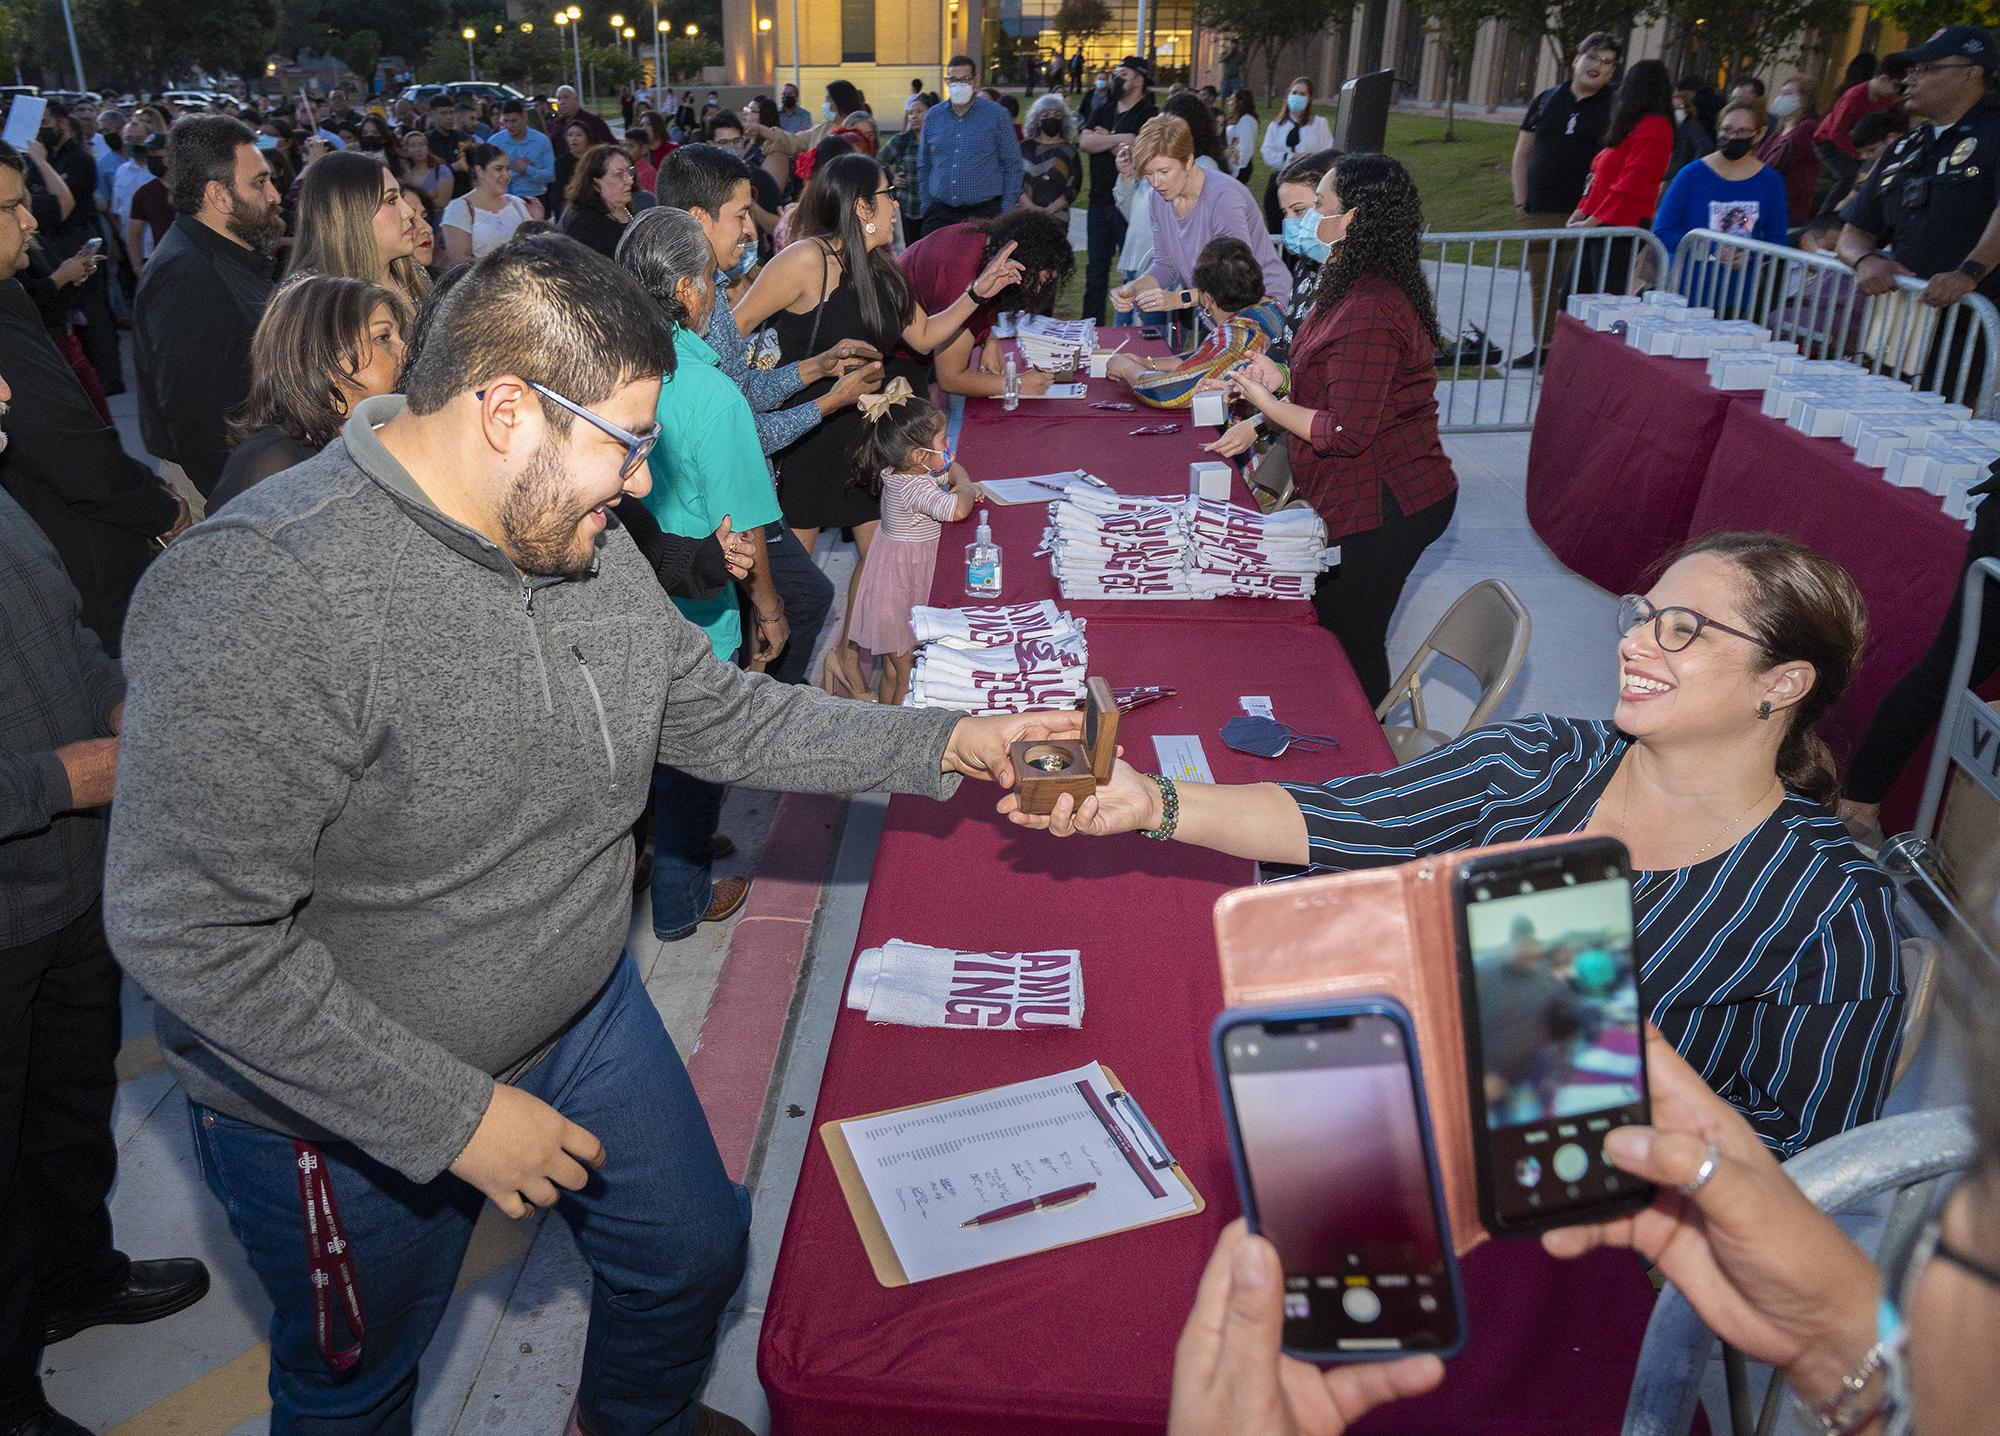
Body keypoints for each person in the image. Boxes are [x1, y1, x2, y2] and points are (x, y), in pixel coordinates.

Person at [106, 228, 1078, 1436]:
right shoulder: (263, 592)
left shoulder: (579, 539)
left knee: (690, 1252)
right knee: (357, 1385)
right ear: (506, 410)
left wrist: (943, 741)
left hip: (579, 1014)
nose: (637, 486)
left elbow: (714, 711)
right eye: (624, 446)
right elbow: (187, 934)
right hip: (339, 1103)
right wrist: (451, 1116)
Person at [1012, 529, 1904, 1156]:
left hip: (1596, 1225)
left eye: (1683, 630)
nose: (1634, 640)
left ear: (1783, 683)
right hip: (1393, 1120)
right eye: (1642, 613)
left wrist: (1593, 1070)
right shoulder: (1540, 758)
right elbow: (1343, 820)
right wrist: (1153, 802)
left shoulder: (1826, 909)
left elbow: (1803, 1156)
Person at [0, 419, 209, 1436]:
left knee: (69, 1105)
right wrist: (53, 781)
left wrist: (118, 704)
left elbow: (64, 634)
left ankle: (77, 1274)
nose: (3, 388)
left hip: (68, 885)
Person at [1200, 153, 1456, 704]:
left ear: (1356, 218)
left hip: (1388, 501)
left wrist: (1265, 402)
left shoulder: (1370, 304)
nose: (1308, 216)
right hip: (1357, 490)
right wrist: (1282, 374)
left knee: (1352, 635)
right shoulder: (1346, 279)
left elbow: (1343, 430)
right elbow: (1335, 378)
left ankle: (1368, 764)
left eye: (1321, 205)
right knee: (1334, 619)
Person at [616, 208, 788, 937]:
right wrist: (771, 611)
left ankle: (667, 842)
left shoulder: (607, 368)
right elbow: (744, 526)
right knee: (694, 751)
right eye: (714, 280)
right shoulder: (709, 393)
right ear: (687, 290)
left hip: (630, 592)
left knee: (651, 744)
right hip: (698, 599)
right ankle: (682, 901)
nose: (719, 292)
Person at [730, 153, 1021, 555]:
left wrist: (976, 293)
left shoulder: (883, 269)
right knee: (792, 589)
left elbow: (922, 337)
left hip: (865, 436)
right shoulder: (805, 260)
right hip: (803, 434)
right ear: (861, 206)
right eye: (889, 194)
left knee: (876, 568)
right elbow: (735, 325)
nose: (896, 204)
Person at [655, 143, 863, 685]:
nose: (750, 229)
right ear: (699, 220)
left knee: (802, 600)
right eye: (740, 214)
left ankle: (760, 713)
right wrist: (827, 403)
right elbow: (741, 427)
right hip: (724, 507)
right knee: (793, 603)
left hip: (736, 495)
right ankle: (763, 722)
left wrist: (814, 368)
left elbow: (744, 389)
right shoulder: (688, 307)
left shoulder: (712, 292)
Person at [0, 141, 184, 657]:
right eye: (11, 208)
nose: (29, 222)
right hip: (81, 587)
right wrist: (159, 510)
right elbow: (71, 452)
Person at [1837, 25, 2000, 403]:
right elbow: (1854, 230)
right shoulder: (1906, 147)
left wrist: (1968, 272)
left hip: (1977, 331)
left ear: (1970, 72)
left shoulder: (1994, 133)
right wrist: (1865, 260)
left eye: (1924, 69)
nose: (1909, 80)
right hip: (1906, 326)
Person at [132, 114, 283, 510]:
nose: (275, 195)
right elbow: (195, 420)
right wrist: (244, 506)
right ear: (219, 195)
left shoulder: (227, 258)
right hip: (233, 491)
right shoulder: (187, 276)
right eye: (260, 182)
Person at [209, 275, 411, 511]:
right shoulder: (275, 462)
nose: (405, 349)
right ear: (324, 355)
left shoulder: (361, 440)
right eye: (383, 338)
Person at [845, 381, 978, 703]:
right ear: (919, 454)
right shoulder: (915, 488)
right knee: (908, 671)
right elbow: (958, 508)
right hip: (902, 591)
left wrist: (955, 478)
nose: (948, 446)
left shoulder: (901, 473)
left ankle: (885, 722)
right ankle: (900, 730)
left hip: (891, 584)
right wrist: (968, 486)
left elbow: (946, 473)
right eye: (943, 441)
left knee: (893, 668)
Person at [1112, 115, 1290, 328]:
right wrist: (1134, 288)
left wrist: (1179, 299)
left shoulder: (1223, 199)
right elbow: (1165, 265)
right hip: (1221, 314)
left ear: (1188, 160)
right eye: (1149, 174)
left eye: (1164, 171)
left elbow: (1236, 278)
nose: (1156, 182)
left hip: (1266, 312)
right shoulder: (1157, 199)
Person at [1511, 32, 1621, 367]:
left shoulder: (1616, 106)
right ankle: (1544, 348)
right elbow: (1522, 154)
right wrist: (1521, 201)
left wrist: (1598, 212)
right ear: (1576, 59)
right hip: (1539, 208)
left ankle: (1573, 355)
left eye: (1606, 62)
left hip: (1586, 214)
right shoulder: (1546, 99)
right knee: (1542, 283)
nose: (1597, 66)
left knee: (1578, 286)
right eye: (1592, 57)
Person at [899, 208, 1073, 399]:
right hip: (895, 353)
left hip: (911, 337)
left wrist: (989, 339)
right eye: (1042, 279)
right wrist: (1019, 383)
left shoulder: (985, 243)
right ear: (1025, 263)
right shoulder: (963, 275)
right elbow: (950, 378)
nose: (1039, 290)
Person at [1106, 236, 1284, 408]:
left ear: (1207, 299)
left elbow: (1168, 392)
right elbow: (1207, 358)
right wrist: (1147, 363)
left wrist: (1125, 368)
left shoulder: (1237, 333)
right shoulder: (1271, 308)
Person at [1652, 98, 1790, 305]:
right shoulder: (1691, 175)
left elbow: (1777, 239)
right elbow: (1662, 231)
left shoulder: (1771, 182)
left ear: (1759, 133)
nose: (1733, 137)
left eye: (1743, 131)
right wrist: (1712, 248)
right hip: (1684, 291)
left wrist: (1751, 254)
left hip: (1738, 297)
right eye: (1727, 129)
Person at [1567, 58, 1676, 293]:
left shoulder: (1655, 127)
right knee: (1574, 294)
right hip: (1602, 223)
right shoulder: (1631, 127)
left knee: (1602, 300)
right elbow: (1599, 178)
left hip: (1621, 225)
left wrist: (1592, 221)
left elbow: (1630, 183)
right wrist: (1583, 209)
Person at [286, 150, 426, 304]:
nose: (408, 212)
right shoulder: (312, 300)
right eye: (391, 200)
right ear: (349, 214)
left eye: (401, 197)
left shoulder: (411, 274)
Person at [1078, 55, 1157, 324]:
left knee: (1134, 270)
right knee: (1095, 270)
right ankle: (1091, 326)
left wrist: (1107, 139)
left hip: (1131, 205)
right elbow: (1085, 142)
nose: (1115, 78)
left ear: (1138, 78)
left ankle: (1133, 326)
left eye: (1122, 73)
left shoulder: (1148, 113)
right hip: (1099, 202)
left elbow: (1140, 151)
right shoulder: (1104, 107)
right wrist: (1122, 139)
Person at [917, 55, 1024, 229]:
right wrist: (926, 206)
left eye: (964, 79)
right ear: (946, 81)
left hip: (984, 213)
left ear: (975, 80)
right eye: (953, 80)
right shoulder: (934, 116)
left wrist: (1006, 209)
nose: (958, 85)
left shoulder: (997, 115)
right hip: (940, 213)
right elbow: (924, 164)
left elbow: (1013, 164)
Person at [1814, 53, 1908, 215]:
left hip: (1857, 143)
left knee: (1867, 175)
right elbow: (1836, 132)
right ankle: (1826, 215)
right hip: (1828, 142)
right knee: (1848, 175)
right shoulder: (1854, 96)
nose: (1897, 93)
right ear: (1884, 80)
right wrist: (1859, 154)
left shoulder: (1886, 99)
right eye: (1897, 87)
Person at [1258, 77, 1333, 234]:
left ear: (1309, 98)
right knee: (1278, 231)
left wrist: (1309, 159)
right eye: (1294, 92)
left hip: (1307, 186)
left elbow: (1328, 152)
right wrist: (1290, 157)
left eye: (1302, 93)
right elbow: (1267, 152)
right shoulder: (1276, 126)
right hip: (1278, 184)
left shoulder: (1319, 124)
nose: (1297, 96)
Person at [440, 144, 535, 263]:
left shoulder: (517, 204)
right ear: (479, 171)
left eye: (508, 168)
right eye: (498, 169)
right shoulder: (459, 209)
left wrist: (537, 222)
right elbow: (459, 261)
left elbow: (533, 247)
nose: (506, 175)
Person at [1757, 76, 1821, 226]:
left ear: (1805, 99)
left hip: (1789, 209)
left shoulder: (1807, 128)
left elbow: (1776, 162)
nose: (1781, 99)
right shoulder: (1780, 129)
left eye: (1788, 94)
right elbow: (1759, 158)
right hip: (1769, 203)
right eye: (1781, 94)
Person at [558, 144, 637, 258]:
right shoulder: (585, 225)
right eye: (619, 174)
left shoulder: (631, 209)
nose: (629, 180)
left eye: (630, 172)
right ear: (595, 183)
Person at [1019, 93, 1081, 221]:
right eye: (1046, 115)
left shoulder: (1070, 150)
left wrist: (1055, 206)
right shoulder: (1025, 147)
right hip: (1024, 215)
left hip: (1058, 216)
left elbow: (1075, 184)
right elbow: (1013, 180)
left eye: (1057, 115)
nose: (1051, 118)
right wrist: (1029, 206)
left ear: (1063, 119)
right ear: (1037, 120)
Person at [878, 92, 930, 240]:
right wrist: (891, 178)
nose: (914, 116)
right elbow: (877, 162)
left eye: (919, 112)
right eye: (910, 113)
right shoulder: (900, 141)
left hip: (933, 211)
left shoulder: (938, 141)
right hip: (906, 210)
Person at [490, 99, 556, 209]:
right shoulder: (495, 142)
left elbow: (551, 175)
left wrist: (527, 169)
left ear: (524, 117)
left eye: (514, 121)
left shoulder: (541, 140)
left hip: (536, 198)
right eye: (506, 121)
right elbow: (489, 176)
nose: (510, 126)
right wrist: (511, 169)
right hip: (505, 200)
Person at [1668, 76, 1719, 182]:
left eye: (1681, 108)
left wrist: (1689, 170)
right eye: (1675, 108)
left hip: (1675, 178)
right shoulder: (1666, 128)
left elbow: (1705, 147)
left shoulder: (1691, 126)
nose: (1677, 111)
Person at [396, 127, 454, 210]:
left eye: (422, 145)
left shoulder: (442, 170)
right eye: (413, 146)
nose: (418, 149)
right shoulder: (404, 172)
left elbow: (442, 202)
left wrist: (417, 199)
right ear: (406, 150)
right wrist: (429, 195)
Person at [550, 120, 591, 223]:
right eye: (570, 135)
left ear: (587, 138)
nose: (574, 139)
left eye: (579, 135)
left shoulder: (594, 159)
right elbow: (561, 188)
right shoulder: (561, 162)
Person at [1224, 90, 1257, 183]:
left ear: (1240, 102)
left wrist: (1239, 163)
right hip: (1232, 163)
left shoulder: (1247, 120)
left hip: (1240, 166)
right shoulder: (1237, 119)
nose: (1229, 102)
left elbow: (1246, 145)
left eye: (1231, 100)